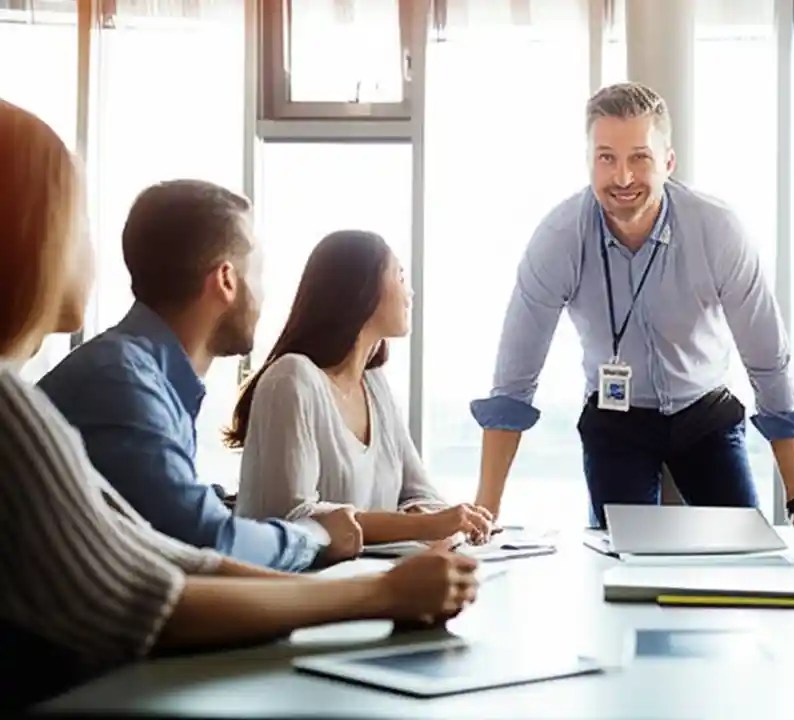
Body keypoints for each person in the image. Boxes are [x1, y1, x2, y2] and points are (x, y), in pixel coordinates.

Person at [0, 99, 479, 711]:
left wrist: (377, 577)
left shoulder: (128, 379)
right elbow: (154, 590)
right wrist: (374, 592)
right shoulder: (108, 383)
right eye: (79, 225)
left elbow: (161, 554)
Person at [470, 81, 794, 527]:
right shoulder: (558, 239)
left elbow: (768, 363)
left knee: (742, 553)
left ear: (667, 162)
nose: (622, 178)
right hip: (615, 420)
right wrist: (484, 513)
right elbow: (513, 384)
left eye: (639, 158)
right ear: (589, 162)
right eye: (607, 158)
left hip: (705, 412)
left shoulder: (718, 230)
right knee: (618, 559)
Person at [38, 179, 362, 571]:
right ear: (226, 280)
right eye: (256, 274)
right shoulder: (121, 381)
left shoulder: (138, 372)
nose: (263, 295)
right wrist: (315, 534)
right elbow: (204, 541)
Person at [227, 230, 493, 544]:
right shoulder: (292, 378)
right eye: (401, 275)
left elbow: (419, 493)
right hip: (295, 587)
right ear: (363, 288)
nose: (411, 292)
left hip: (366, 582)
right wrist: (424, 526)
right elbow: (293, 518)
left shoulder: (374, 384)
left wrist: (444, 520)